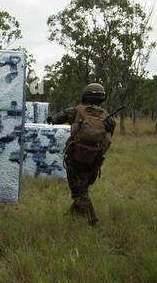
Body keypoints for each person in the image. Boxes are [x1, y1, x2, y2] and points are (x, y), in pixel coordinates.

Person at [48, 83, 115, 225]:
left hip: (76, 157)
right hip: (95, 160)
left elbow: (57, 118)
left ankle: (92, 221)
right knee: (82, 187)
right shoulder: (107, 116)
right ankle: (72, 215)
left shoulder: (76, 111)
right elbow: (108, 137)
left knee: (79, 192)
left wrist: (50, 120)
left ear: (85, 95)